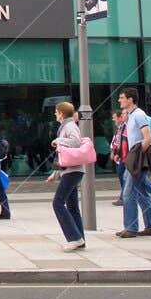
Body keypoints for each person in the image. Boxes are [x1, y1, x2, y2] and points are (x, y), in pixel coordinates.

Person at [114, 89, 151, 238]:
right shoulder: (132, 115)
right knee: (142, 194)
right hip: (134, 157)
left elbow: (147, 137)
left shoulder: (139, 115)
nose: (119, 101)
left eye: (122, 98)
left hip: (136, 158)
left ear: (131, 99)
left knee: (128, 194)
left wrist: (137, 156)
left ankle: (131, 227)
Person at [50, 100, 87, 251]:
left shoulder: (69, 126)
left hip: (73, 170)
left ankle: (74, 238)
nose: (55, 114)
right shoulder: (66, 126)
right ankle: (80, 239)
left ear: (61, 113)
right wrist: (56, 173)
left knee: (57, 202)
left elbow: (75, 142)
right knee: (72, 206)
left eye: (56, 111)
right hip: (70, 170)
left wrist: (58, 140)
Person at [108, 110, 128, 205]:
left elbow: (121, 143)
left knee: (124, 176)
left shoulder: (125, 127)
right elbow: (116, 141)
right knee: (125, 177)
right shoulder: (119, 128)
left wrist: (117, 153)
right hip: (121, 156)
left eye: (114, 117)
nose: (113, 119)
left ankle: (123, 197)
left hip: (124, 156)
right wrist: (114, 151)